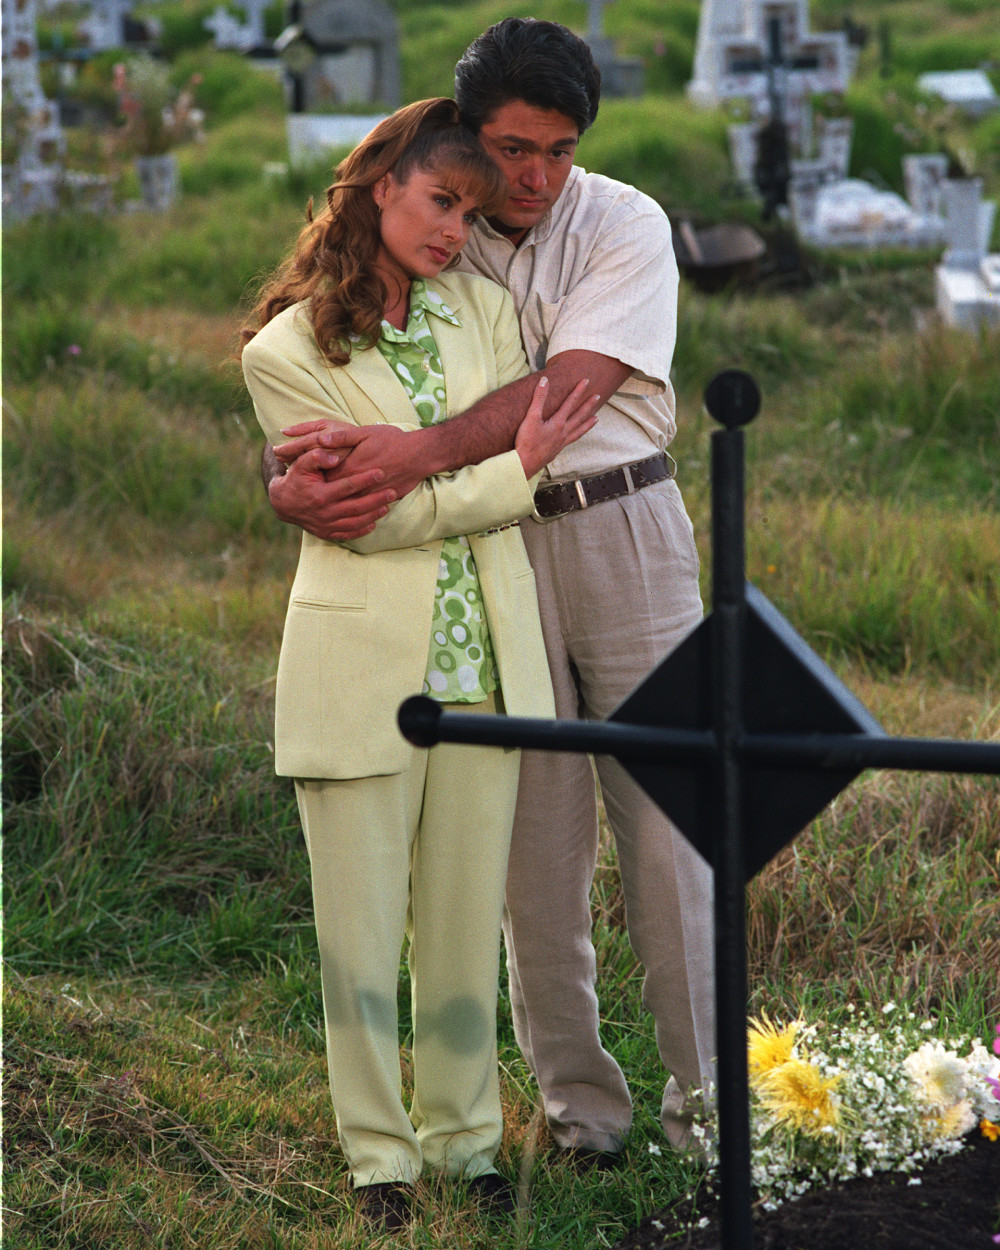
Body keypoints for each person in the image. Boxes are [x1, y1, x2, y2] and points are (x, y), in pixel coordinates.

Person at [263, 19, 716, 1167]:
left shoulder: (619, 223)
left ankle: (710, 1115)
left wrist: (406, 458)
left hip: (620, 526)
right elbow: (337, 355)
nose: (533, 178)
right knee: (532, 850)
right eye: (513, 148)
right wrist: (289, 471)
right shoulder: (443, 221)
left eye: (557, 149)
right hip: (490, 552)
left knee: (671, 828)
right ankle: (584, 1118)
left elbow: (566, 390)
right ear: (468, 133)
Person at [241, 96, 600, 1231]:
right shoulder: (285, 349)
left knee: (458, 924)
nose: (456, 229)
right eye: (442, 201)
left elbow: (422, 483)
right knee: (358, 928)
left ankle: (467, 1140)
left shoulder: (483, 311)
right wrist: (508, 479)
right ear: (380, 185)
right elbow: (359, 519)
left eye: (472, 210)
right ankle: (377, 1161)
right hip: (357, 671)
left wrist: (453, 478)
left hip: (486, 675)